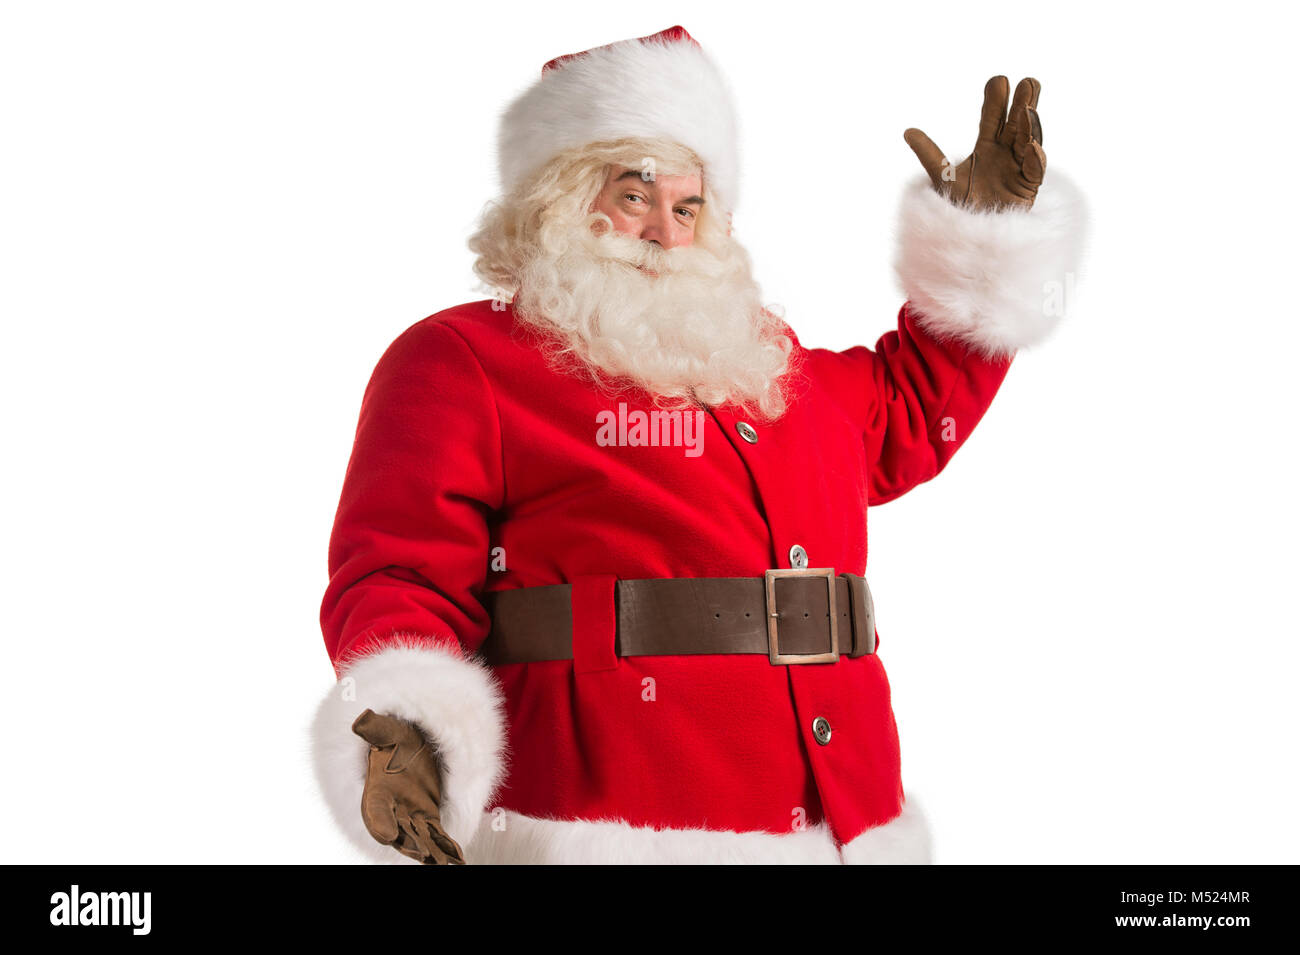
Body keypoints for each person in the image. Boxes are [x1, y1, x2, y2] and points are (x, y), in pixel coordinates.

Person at [311, 25, 1088, 864]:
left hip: (845, 825)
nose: (666, 232)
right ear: (559, 200)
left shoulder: (769, 371)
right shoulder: (463, 361)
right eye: (635, 196)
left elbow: (909, 408)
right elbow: (400, 572)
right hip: (605, 827)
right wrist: (409, 725)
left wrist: (983, 242)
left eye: (688, 208)